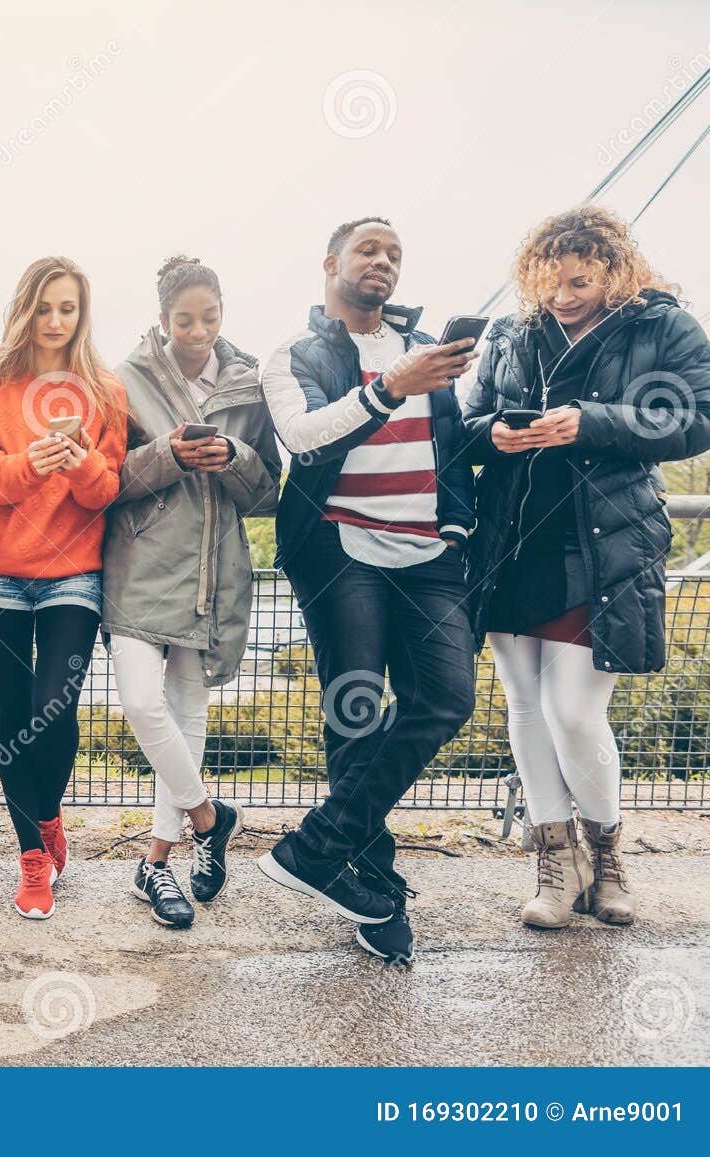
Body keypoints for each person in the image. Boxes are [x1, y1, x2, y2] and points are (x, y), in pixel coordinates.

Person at [463, 206, 710, 929]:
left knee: (573, 710)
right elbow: (467, 423)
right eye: (548, 283)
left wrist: (594, 421)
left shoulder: (664, 326)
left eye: (578, 280)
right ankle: (555, 861)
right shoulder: (511, 334)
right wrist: (496, 436)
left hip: (602, 543)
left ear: (613, 269)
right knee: (525, 705)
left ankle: (606, 854)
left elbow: (697, 416)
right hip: (511, 541)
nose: (562, 296)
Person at [256, 216, 479, 966]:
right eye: (368, 249)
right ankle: (373, 890)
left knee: (448, 697)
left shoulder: (425, 354)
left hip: (429, 554)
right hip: (339, 546)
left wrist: (463, 511)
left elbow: (447, 441)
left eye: (394, 253)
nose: (383, 261)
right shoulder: (295, 351)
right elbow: (306, 435)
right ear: (332, 263)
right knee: (354, 712)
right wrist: (390, 388)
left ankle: (318, 847)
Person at [106, 256, 281, 928]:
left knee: (188, 719)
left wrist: (234, 458)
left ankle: (157, 863)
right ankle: (210, 818)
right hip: (137, 568)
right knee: (144, 706)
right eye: (185, 319)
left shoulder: (248, 383)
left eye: (209, 317)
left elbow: (266, 493)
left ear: (223, 314)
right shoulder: (122, 382)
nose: (198, 330)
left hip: (214, 577)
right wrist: (166, 457)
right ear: (162, 319)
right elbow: (105, 483)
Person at [0, 257, 125, 920]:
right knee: (11, 711)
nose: (57, 321)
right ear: (25, 309)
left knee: (53, 708)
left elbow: (106, 491)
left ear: (83, 314)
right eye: (46, 307)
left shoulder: (106, 390)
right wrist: (30, 464)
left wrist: (82, 462)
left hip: (74, 572)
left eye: (69, 308)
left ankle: (48, 812)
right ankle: (32, 855)